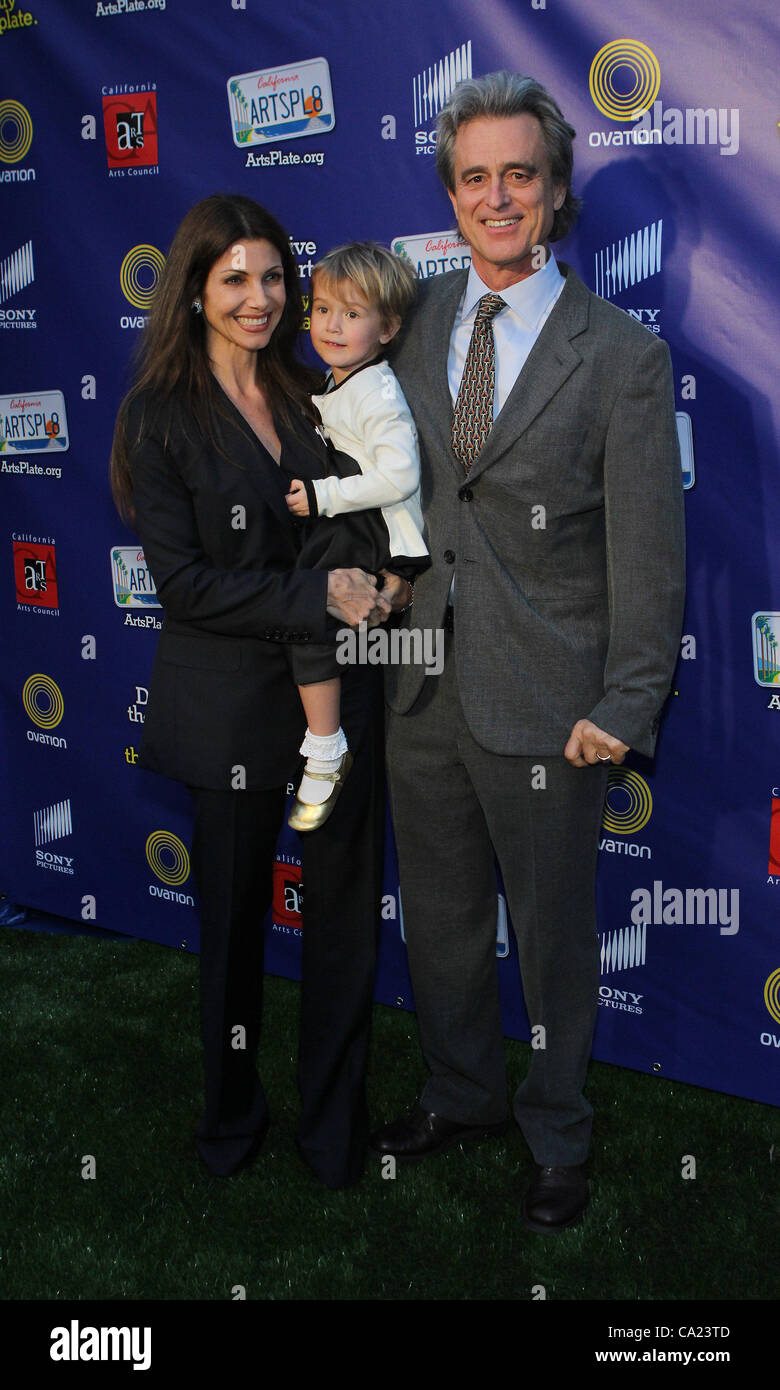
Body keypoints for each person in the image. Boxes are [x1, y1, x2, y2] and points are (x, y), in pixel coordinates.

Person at [371, 73, 686, 1231]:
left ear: (554, 194)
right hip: (421, 687)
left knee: (552, 941)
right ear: (450, 197)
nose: (494, 197)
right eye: (472, 178)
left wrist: (625, 702)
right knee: (442, 919)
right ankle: (462, 1090)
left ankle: (558, 1133)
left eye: (517, 176)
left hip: (555, 706)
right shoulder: (416, 331)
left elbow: (651, 555)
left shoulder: (622, 357)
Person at [110, 193, 403, 1189]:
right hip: (229, 703)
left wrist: (379, 573)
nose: (260, 297)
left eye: (274, 276)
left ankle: (332, 1131)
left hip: (336, 699)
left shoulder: (318, 389)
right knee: (233, 933)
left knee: (343, 919)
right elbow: (185, 584)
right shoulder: (158, 415)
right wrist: (316, 590)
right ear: (194, 289)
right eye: (235, 278)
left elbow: (361, 517)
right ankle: (231, 1121)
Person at [284, 241, 428, 831]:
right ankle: (325, 740)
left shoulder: (377, 390)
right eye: (322, 310)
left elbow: (399, 476)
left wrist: (323, 496)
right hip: (360, 526)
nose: (332, 325)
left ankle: (325, 747)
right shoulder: (341, 380)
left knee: (310, 604)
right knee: (308, 606)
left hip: (378, 533)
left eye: (352, 313)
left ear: (388, 326)